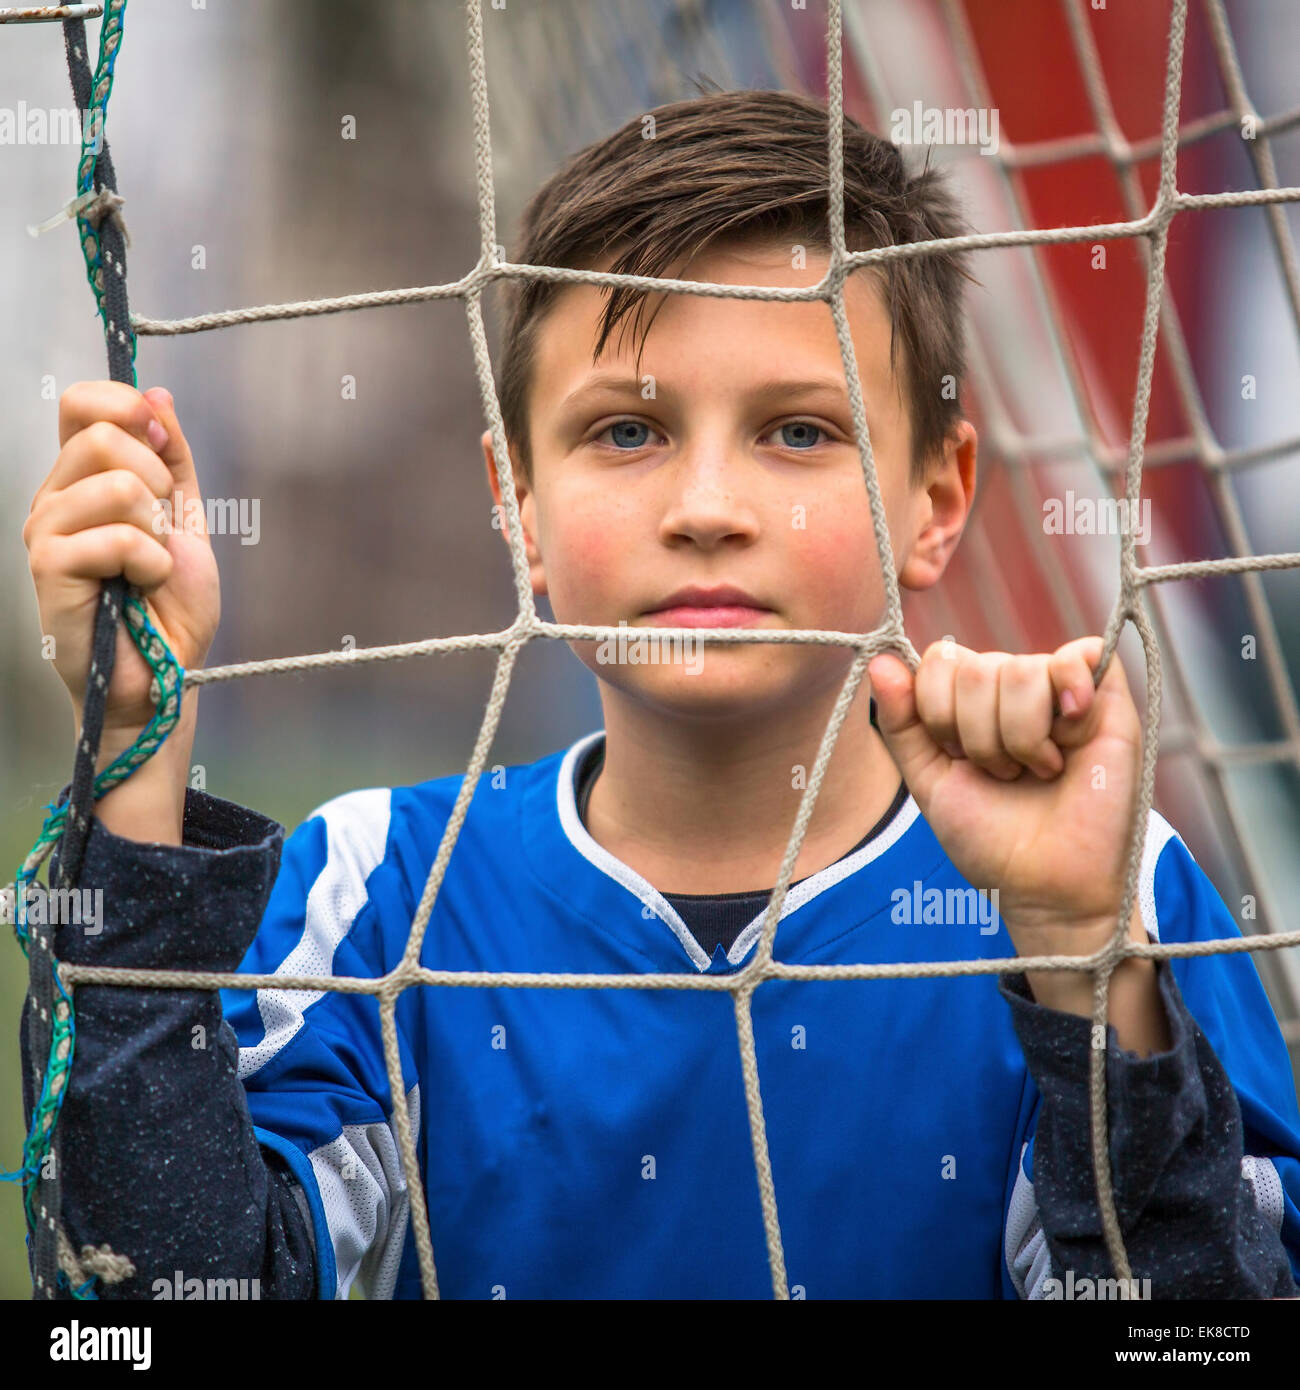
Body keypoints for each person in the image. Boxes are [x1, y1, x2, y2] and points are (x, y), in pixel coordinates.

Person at [19, 89, 1300, 1299]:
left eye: (798, 430)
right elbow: (140, 1305)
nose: (704, 510)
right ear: (516, 501)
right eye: (626, 432)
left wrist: (1083, 975)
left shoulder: (1111, 893)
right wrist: (135, 746)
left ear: (938, 498)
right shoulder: (373, 896)